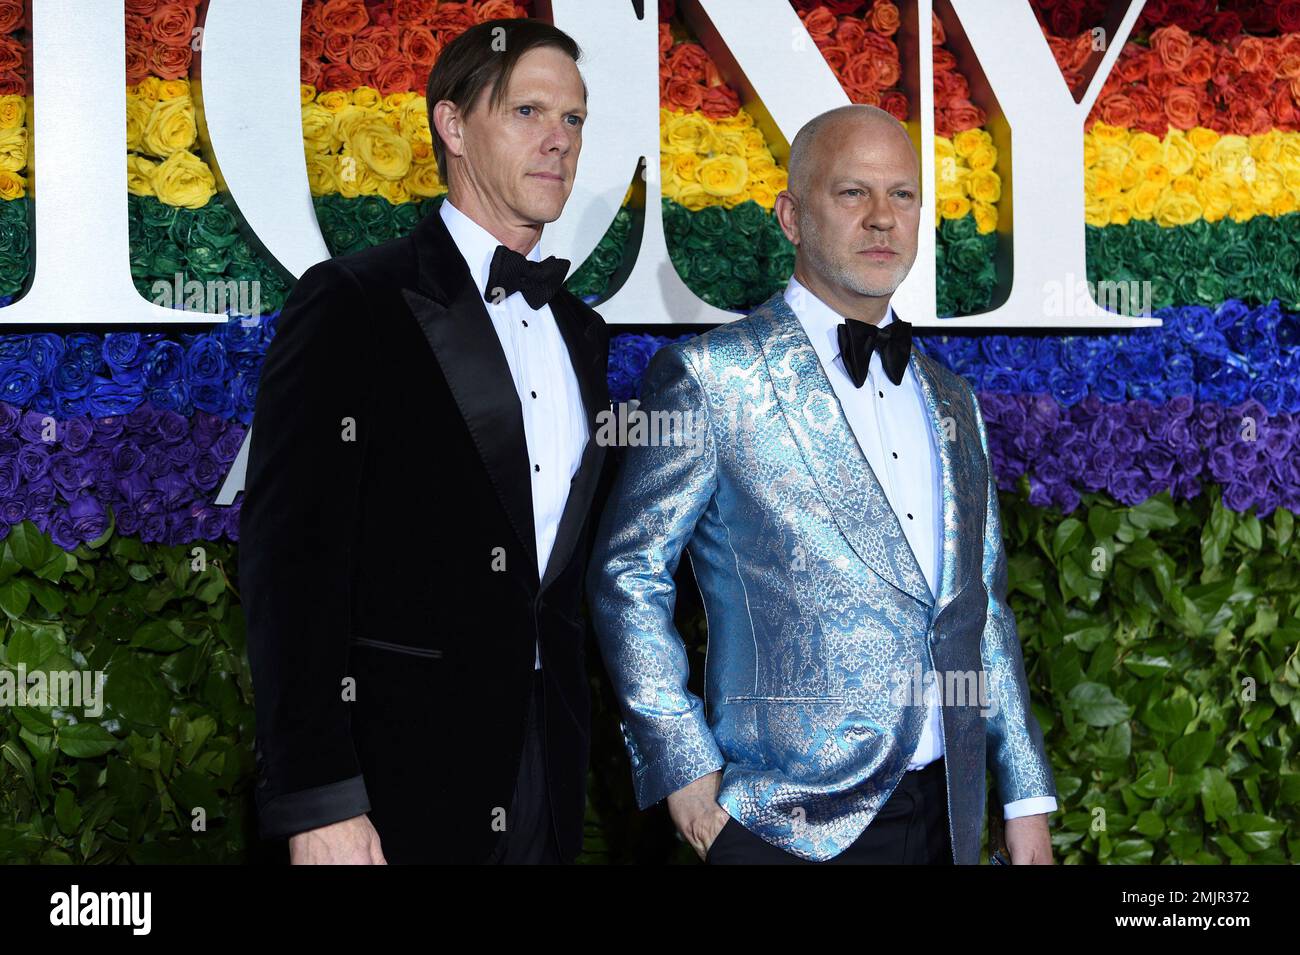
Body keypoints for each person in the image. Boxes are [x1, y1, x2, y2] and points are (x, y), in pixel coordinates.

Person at [587, 105, 1057, 864]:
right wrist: (685, 770)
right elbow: (626, 573)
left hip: (947, 813)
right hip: (782, 823)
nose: (882, 219)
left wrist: (1025, 795)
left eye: (902, 195)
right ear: (792, 216)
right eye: (852, 194)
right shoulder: (713, 378)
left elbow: (982, 604)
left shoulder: (951, 399)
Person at [241, 18, 611, 864]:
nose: (557, 141)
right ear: (451, 124)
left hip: (544, 775)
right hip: (390, 783)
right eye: (527, 111)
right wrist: (317, 798)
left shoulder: (582, 331)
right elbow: (290, 562)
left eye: (574, 120)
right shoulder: (354, 302)